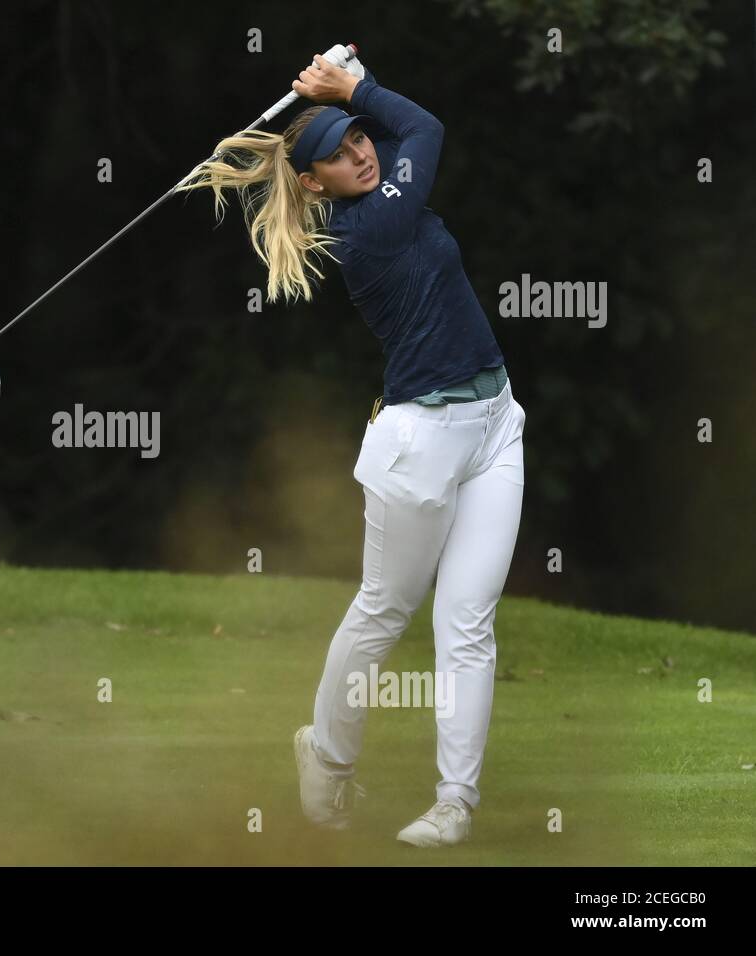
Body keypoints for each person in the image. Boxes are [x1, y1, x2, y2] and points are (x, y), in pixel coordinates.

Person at [174, 53, 526, 847]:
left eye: (358, 137)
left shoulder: (381, 198)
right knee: (383, 612)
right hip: (419, 446)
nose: (360, 151)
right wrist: (354, 88)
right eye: (336, 151)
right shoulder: (369, 230)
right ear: (312, 184)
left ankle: (454, 804)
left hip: (497, 422)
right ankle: (326, 759)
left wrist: (347, 88)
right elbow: (425, 128)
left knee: (467, 623)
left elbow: (404, 137)